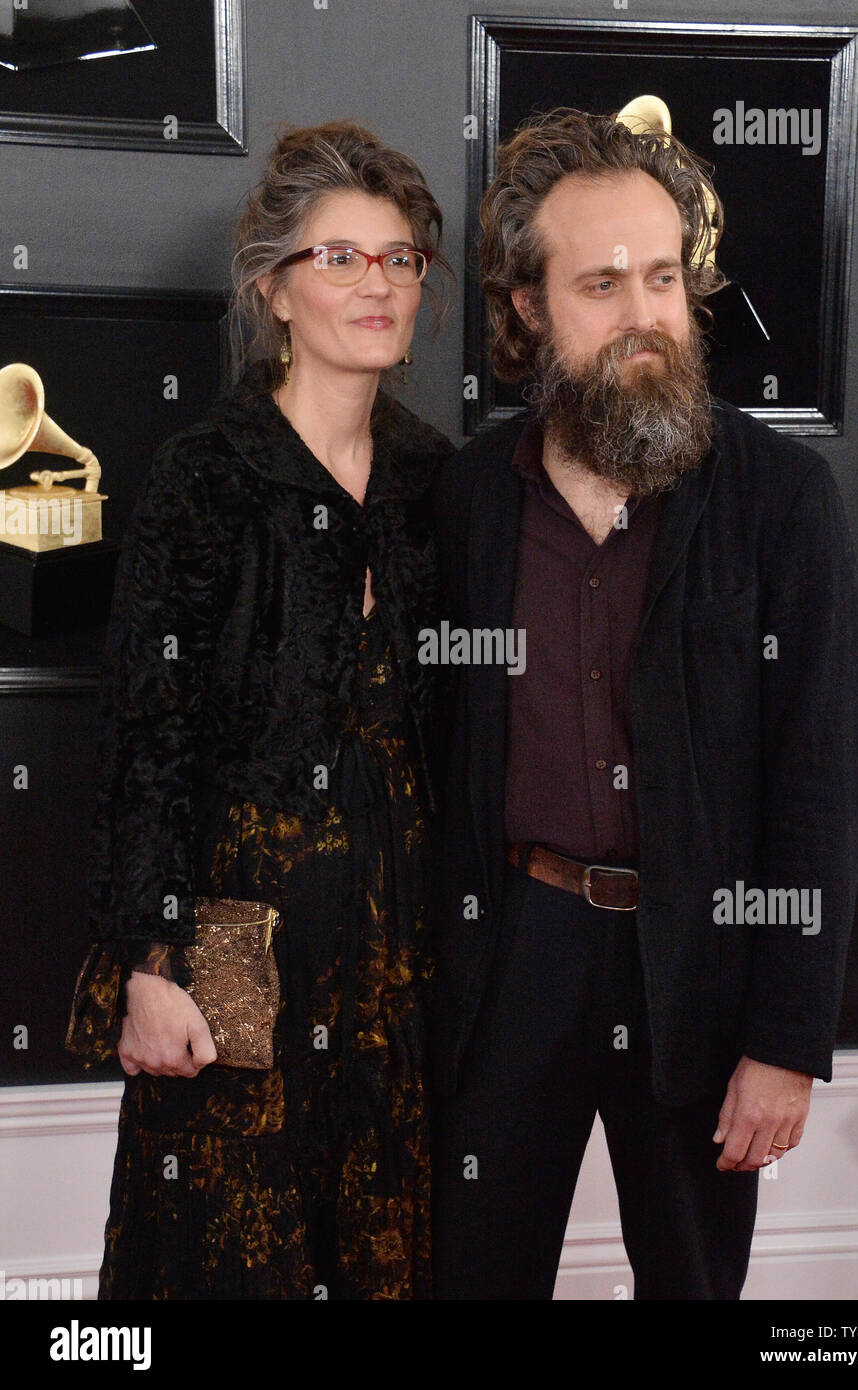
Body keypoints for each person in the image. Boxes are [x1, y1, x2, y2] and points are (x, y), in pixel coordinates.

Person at [431, 107, 858, 1300]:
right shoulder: (471, 497)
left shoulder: (784, 501)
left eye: (667, 278)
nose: (646, 315)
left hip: (702, 972)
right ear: (529, 309)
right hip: (514, 952)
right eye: (604, 283)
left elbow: (817, 786)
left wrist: (785, 1043)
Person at [67, 120, 455, 1299]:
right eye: (339, 258)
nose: (376, 283)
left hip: (398, 954)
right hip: (235, 940)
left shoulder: (443, 482)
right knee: (221, 1266)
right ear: (275, 290)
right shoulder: (204, 474)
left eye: (399, 259)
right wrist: (148, 962)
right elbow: (149, 738)